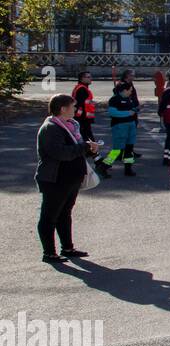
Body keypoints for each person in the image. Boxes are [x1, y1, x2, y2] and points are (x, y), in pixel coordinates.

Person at [36, 94, 98, 264]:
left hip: (71, 178)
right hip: (55, 179)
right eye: (73, 106)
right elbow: (61, 152)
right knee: (49, 216)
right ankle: (49, 252)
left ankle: (68, 247)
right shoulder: (51, 128)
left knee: (65, 213)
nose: (76, 109)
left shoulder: (72, 125)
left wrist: (90, 149)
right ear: (63, 109)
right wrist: (83, 147)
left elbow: (77, 148)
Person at [101, 80, 139, 176]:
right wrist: (128, 113)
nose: (131, 92)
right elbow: (112, 112)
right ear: (124, 90)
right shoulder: (114, 100)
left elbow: (132, 109)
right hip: (119, 126)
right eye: (130, 90)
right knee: (117, 150)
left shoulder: (129, 99)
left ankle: (128, 169)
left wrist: (135, 112)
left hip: (131, 125)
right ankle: (104, 166)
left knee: (129, 149)